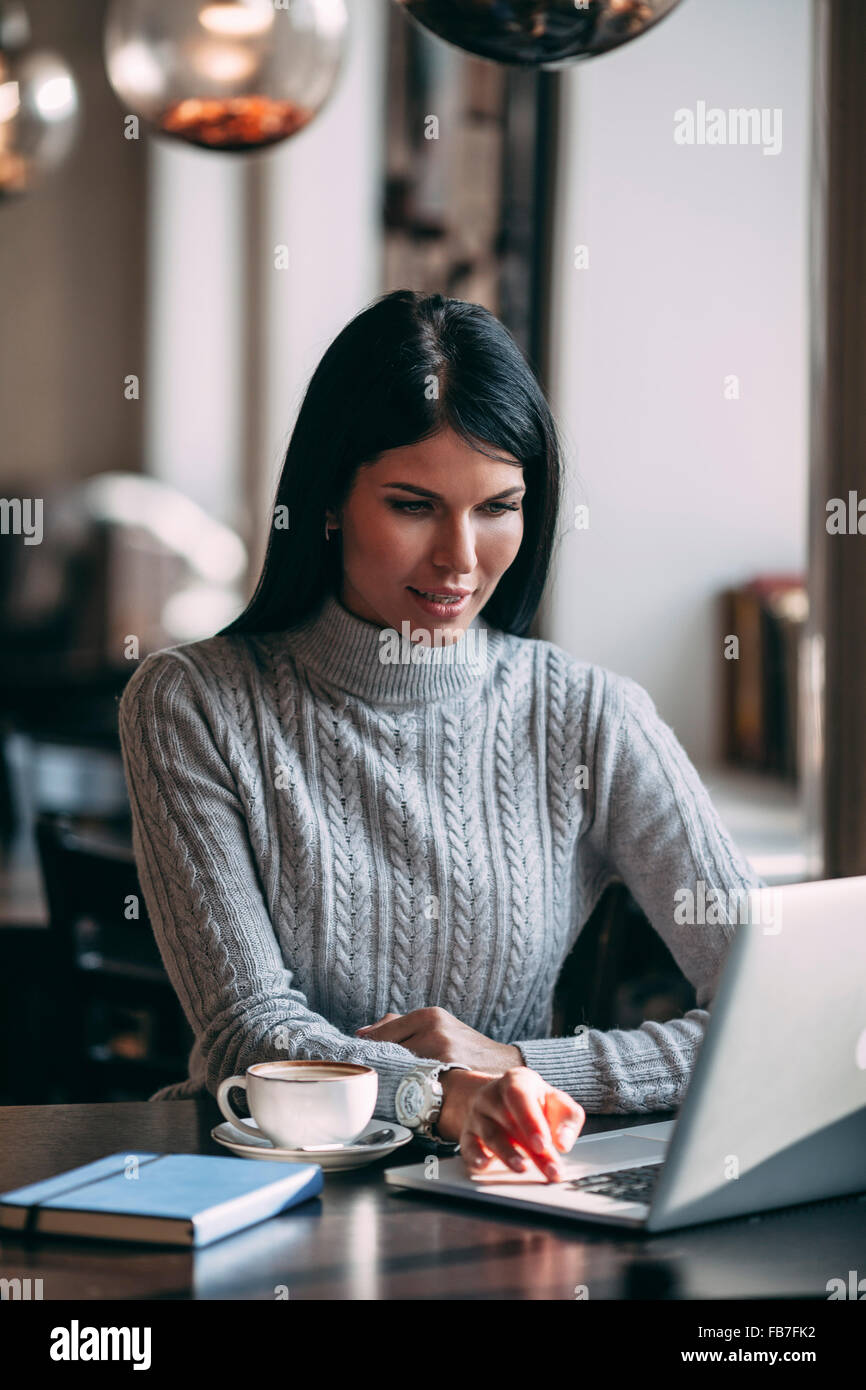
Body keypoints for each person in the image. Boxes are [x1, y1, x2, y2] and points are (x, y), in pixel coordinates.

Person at [117, 288, 763, 1183]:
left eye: (498, 506)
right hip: (261, 1191)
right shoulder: (193, 703)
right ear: (333, 499)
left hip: (507, 1195)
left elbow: (767, 1009)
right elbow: (250, 1033)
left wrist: (525, 1069)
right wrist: (444, 1093)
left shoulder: (589, 714)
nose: (460, 558)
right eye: (414, 505)